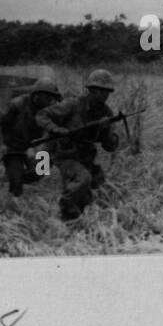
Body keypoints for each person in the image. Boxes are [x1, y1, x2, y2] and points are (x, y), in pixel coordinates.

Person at [35, 69, 120, 221]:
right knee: (82, 179)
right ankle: (64, 208)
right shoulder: (73, 105)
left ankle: (73, 224)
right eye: (101, 91)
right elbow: (42, 115)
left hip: (85, 157)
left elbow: (110, 146)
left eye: (107, 91)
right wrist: (57, 129)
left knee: (91, 191)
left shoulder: (106, 113)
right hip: (64, 154)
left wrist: (106, 129)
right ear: (91, 90)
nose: (105, 95)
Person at [0, 77, 62, 196]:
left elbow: (50, 133)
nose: (51, 101)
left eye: (52, 98)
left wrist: (38, 150)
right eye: (48, 97)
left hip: (34, 147)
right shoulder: (17, 104)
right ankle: (13, 184)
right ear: (37, 95)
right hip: (13, 148)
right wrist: (2, 145)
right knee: (16, 184)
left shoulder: (50, 111)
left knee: (41, 171)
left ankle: (15, 178)